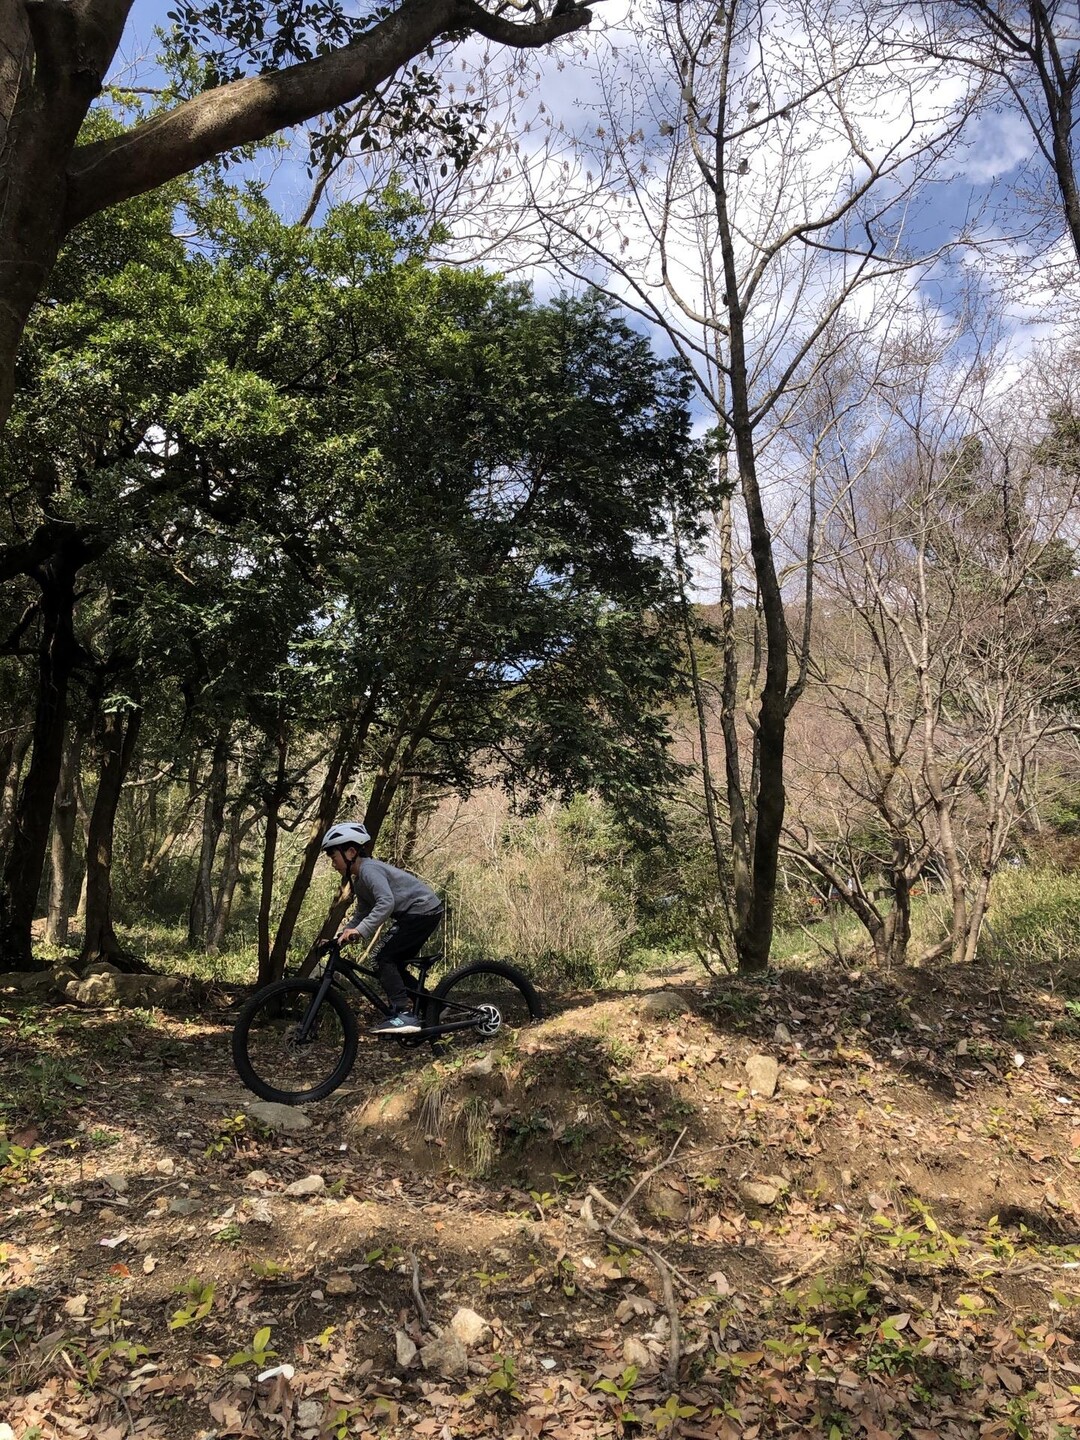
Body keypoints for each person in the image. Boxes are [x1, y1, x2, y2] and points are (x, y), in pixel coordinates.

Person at [319, 821, 444, 1035]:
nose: (333, 864)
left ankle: (402, 1014)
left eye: (333, 857)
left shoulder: (369, 870)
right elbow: (362, 913)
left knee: (381, 958)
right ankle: (434, 1008)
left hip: (422, 911)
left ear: (351, 852)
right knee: (392, 964)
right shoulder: (360, 881)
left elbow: (386, 902)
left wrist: (361, 931)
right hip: (415, 914)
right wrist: (340, 937)